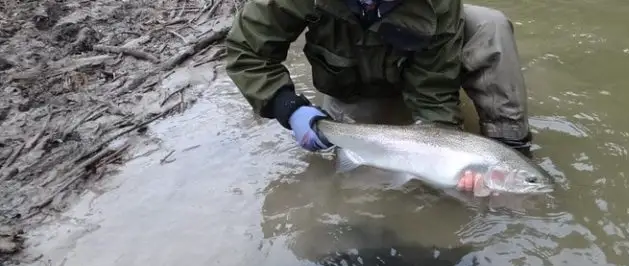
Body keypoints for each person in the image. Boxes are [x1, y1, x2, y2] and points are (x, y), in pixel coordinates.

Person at [225, 0, 532, 194]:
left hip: (417, 71)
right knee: (358, 190)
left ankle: (512, 153)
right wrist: (289, 108)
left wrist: (444, 156)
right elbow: (247, 51)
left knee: (489, 25)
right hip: (353, 88)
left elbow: (434, 93)